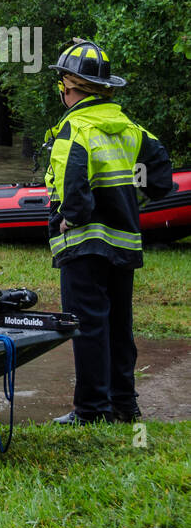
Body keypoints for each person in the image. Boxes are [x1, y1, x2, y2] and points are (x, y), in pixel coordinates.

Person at [44, 40, 173, 424]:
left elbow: (74, 183)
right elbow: (161, 180)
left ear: (69, 85)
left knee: (87, 327)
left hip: (83, 247)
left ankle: (91, 410)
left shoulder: (74, 128)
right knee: (119, 326)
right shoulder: (131, 129)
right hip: (124, 243)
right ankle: (123, 404)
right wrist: (131, 202)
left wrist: (70, 216)